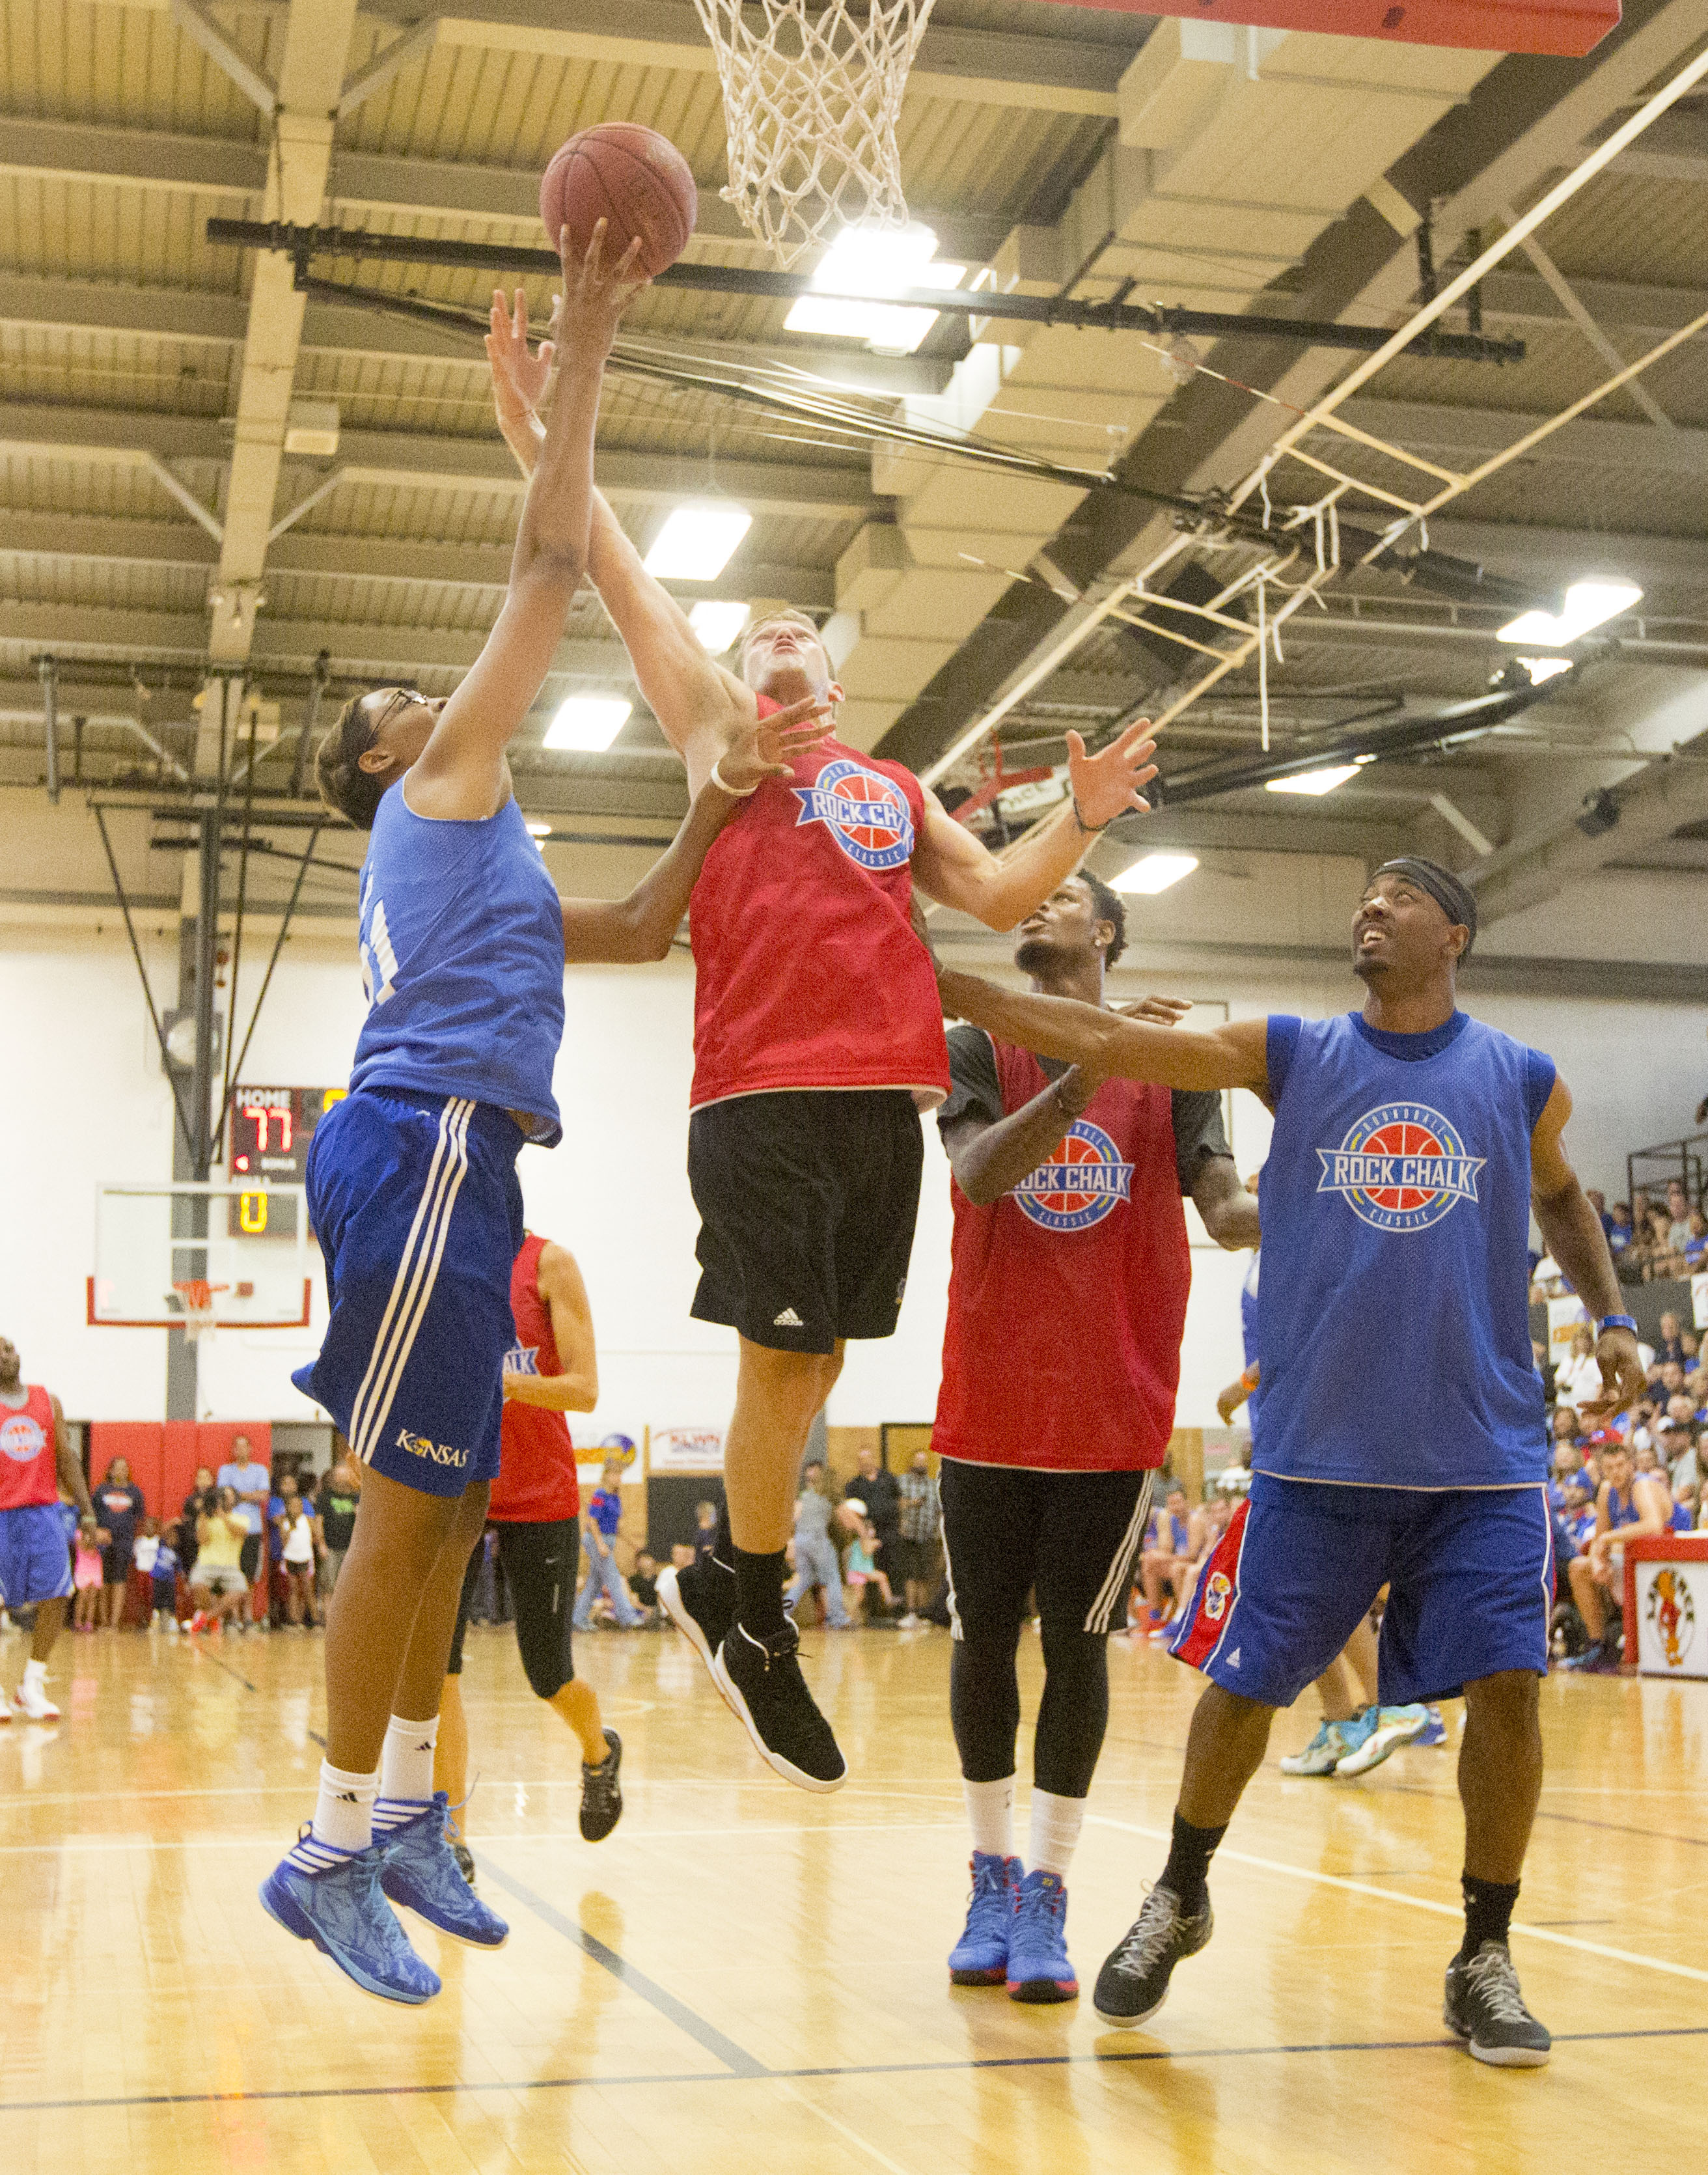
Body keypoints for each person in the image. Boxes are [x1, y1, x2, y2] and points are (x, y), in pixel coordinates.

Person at [484, 296, 1163, 1795]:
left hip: (882, 1108)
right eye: (752, 637)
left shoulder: (889, 783)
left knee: (816, 1371)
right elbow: (601, 550)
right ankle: (752, 1617)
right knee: (780, 1354)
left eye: (792, 633)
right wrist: (546, 419)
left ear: (834, 676)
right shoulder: (716, 736)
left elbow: (992, 895)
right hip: (764, 1096)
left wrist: (1080, 819)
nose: (769, 642)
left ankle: (723, 1590)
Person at [261, 229, 830, 2006]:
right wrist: (581, 342)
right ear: (374, 756)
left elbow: (650, 922)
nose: (417, 693)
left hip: (469, 1152)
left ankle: (418, 1808)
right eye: (385, 704)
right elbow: (546, 570)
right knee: (402, 1508)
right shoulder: (440, 782)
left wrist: (722, 805)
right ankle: (335, 1841)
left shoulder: (489, 851)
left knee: (439, 1515)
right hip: (420, 1138)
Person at [935, 854, 1644, 2066]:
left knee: (1509, 1691)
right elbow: (1118, 1044)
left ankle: (1482, 1952)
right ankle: (1179, 1889)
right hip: (1321, 1453)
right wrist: (954, 984)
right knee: (1244, 1689)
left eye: (1399, 895)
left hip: (1479, 1454)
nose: (1368, 906)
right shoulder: (1292, 1052)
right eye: (1361, 893)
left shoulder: (1516, 1077)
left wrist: (1617, 1317)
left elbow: (1566, 1198)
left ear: (1454, 935)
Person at [931, 873, 1258, 2002]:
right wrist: (1094, 1063)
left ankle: (1047, 1894)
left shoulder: (1176, 1071)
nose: (1031, 904)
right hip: (987, 1404)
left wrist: (1321, 1193)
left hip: (1110, 1414)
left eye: (1062, 894)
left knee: (1073, 1650)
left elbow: (1221, 1210)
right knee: (984, 1639)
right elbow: (980, 1174)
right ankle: (986, 1872)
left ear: (1107, 932)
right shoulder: (978, 1043)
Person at [436, 1231, 624, 1882]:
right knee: (441, 1671)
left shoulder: (547, 1263)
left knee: (549, 1674)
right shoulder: (440, 1257)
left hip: (539, 1490)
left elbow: (584, 1388)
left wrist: (507, 1383)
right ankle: (452, 1831)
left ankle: (599, 1752)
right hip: (458, 1486)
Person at [0, 1337, 94, 1718]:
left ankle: (32, 1684)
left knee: (58, 1593)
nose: (5, 1357)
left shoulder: (47, 1401)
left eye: (8, 1349)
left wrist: (87, 1512)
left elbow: (67, 1458)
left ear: (18, 1355)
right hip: (2, 1514)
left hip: (43, 1513)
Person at [1563, 1439, 1674, 1672]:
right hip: (1636, 1562)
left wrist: (1608, 1539)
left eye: (1621, 1465)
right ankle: (1597, 1645)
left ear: (1631, 1465)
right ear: (1602, 1470)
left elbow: (1654, 1526)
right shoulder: (1606, 1491)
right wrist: (1596, 1562)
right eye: (1610, 1468)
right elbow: (1599, 1539)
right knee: (1578, 1567)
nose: (1617, 1472)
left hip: (1668, 1561)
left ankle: (1637, 1646)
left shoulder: (1641, 1486)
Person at [575, 1459, 642, 1630]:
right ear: (607, 1475)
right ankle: (628, 1617)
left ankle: (578, 1618)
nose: (619, 1477)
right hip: (597, 1541)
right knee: (613, 1578)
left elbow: (617, 1527)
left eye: (620, 1474)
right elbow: (592, 1521)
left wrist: (633, 1544)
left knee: (594, 1583)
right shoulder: (599, 1495)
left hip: (608, 1542)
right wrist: (600, 1545)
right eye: (615, 1474)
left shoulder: (615, 1497)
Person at [784, 1460, 851, 1629]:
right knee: (832, 1578)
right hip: (817, 1539)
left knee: (803, 1580)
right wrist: (862, 1533)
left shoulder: (803, 1494)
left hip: (800, 1540)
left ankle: (781, 1615)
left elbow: (794, 1516)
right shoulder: (829, 1493)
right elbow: (848, 1520)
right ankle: (838, 1618)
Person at [187, 1489, 252, 1633]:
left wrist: (222, 1516)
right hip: (206, 1564)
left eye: (229, 1497)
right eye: (223, 1496)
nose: (225, 1499)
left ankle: (206, 1618)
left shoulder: (241, 1518)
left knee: (240, 1590)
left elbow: (240, 1533)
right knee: (198, 1584)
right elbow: (202, 1541)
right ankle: (213, 1619)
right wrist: (204, 1515)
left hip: (230, 1567)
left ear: (235, 1500)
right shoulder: (205, 1518)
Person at [93, 1455, 145, 1630]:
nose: (122, 1471)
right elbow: (91, 1515)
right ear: (111, 1470)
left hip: (124, 1543)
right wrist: (97, 1533)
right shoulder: (101, 1491)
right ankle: (103, 1622)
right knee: (103, 1582)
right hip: (103, 1543)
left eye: (125, 1468)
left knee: (119, 1581)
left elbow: (140, 1519)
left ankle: (114, 1623)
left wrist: (136, 1541)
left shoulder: (135, 1492)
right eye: (118, 1467)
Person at [218, 1435, 272, 1597]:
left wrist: (236, 1495)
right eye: (238, 1447)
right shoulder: (225, 1470)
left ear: (251, 1449)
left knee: (250, 1574)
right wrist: (251, 1495)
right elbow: (223, 1497)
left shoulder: (260, 1470)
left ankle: (247, 1616)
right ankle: (234, 1616)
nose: (241, 1450)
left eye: (244, 1446)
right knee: (232, 1572)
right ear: (233, 1450)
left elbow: (263, 1496)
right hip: (230, 1528)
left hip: (253, 1528)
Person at [845, 1445, 900, 1595]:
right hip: (866, 1535)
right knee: (867, 1571)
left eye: (867, 1460)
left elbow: (898, 1500)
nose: (865, 1464)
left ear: (873, 1460)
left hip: (889, 1533)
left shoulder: (888, 1478)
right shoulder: (854, 1485)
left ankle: (892, 1608)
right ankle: (873, 1611)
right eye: (861, 1461)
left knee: (892, 1568)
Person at [895, 1450, 941, 1628]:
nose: (921, 1464)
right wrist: (910, 1503)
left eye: (924, 1461)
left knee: (925, 1576)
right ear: (911, 1462)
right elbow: (895, 1504)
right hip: (907, 1535)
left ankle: (924, 1613)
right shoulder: (902, 1482)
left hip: (928, 1536)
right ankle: (911, 1612)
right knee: (910, 1575)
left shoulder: (933, 1484)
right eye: (918, 1461)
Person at [277, 1478, 321, 1628]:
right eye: (293, 1506)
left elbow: (317, 1535)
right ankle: (294, 1620)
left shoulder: (308, 1520)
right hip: (290, 1558)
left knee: (308, 1590)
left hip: (305, 1558)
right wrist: (290, 1529)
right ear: (288, 1508)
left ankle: (315, 1619)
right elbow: (284, 1541)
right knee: (293, 1590)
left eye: (299, 1505)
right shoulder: (285, 1523)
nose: (297, 1508)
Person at [315, 1456, 360, 1601]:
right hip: (330, 1548)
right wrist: (321, 1543)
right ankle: (329, 1622)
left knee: (349, 1586)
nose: (341, 1479)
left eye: (344, 1475)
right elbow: (318, 1521)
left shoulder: (356, 1498)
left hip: (350, 1549)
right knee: (329, 1586)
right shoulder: (325, 1497)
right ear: (334, 1477)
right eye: (338, 1475)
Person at [180, 1465, 217, 1580]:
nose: (203, 1480)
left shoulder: (217, 1498)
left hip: (212, 1541)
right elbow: (187, 1520)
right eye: (200, 1477)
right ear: (196, 1481)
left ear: (212, 1480)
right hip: (193, 1542)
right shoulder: (190, 1500)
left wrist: (204, 1508)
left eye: (206, 1477)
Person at [72, 1516, 105, 1631]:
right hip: (83, 1569)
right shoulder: (78, 1534)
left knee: (92, 1598)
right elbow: (85, 1548)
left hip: (95, 1568)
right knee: (82, 1597)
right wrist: (93, 1539)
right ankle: (78, 1622)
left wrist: (97, 1537)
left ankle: (89, 1623)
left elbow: (107, 1540)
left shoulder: (97, 1534)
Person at [148, 1521, 183, 1631]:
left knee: (169, 1602)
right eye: (170, 1537)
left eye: (174, 1538)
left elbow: (179, 1569)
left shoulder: (176, 1555)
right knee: (156, 1600)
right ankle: (155, 1622)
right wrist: (171, 1525)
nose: (172, 1539)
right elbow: (162, 1533)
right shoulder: (160, 1545)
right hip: (158, 1579)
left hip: (169, 1581)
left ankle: (170, 1623)